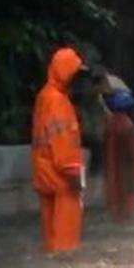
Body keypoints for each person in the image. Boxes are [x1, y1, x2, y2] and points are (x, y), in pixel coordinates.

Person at [31, 47, 87, 254]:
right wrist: (74, 174)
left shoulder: (44, 96)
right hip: (62, 179)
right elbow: (62, 140)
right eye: (75, 73)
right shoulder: (57, 101)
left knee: (51, 242)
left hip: (45, 173)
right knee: (66, 247)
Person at [102, 88, 134, 222]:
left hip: (112, 170)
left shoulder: (110, 124)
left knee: (116, 203)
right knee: (128, 201)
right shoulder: (128, 126)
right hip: (127, 171)